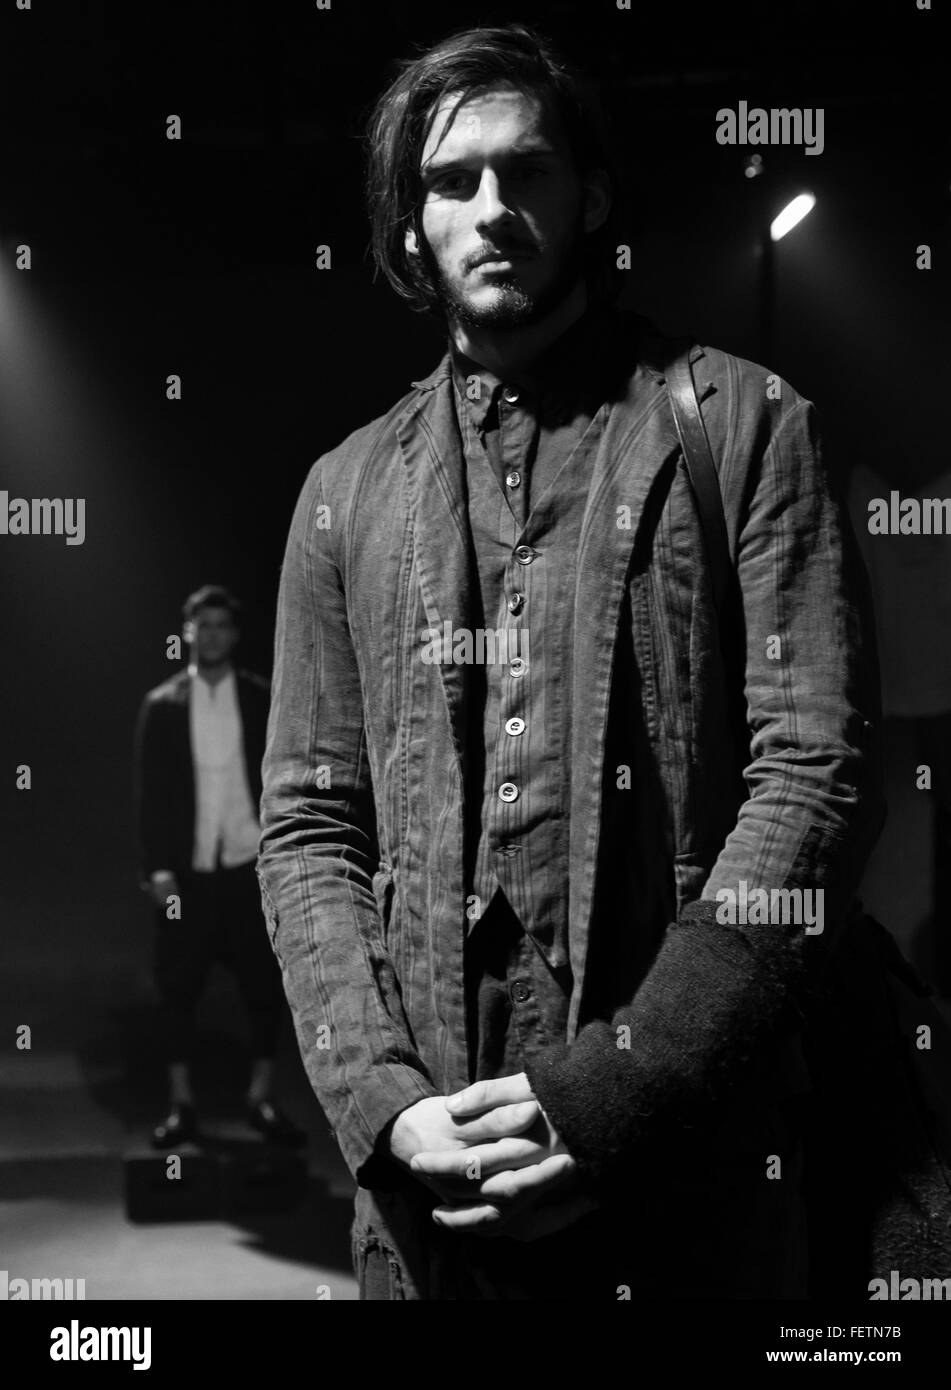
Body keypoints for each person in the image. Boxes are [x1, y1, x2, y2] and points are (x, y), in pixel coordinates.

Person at [257, 23, 891, 1298]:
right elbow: (310, 825)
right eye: (451, 182)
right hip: (434, 1204)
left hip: (692, 1181)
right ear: (408, 224)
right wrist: (386, 1111)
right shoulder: (343, 492)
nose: (492, 210)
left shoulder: (749, 425)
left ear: (590, 196)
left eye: (527, 171)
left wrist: (620, 1097)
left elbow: (814, 778)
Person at [134, 585, 303, 1149]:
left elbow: (284, 778)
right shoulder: (163, 705)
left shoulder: (259, 698)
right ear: (186, 630)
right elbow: (150, 796)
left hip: (248, 867)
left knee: (262, 988)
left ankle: (260, 1098)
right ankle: (181, 1105)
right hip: (187, 873)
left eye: (220, 626)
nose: (210, 635)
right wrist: (156, 870)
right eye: (200, 625)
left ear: (234, 634)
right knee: (176, 990)